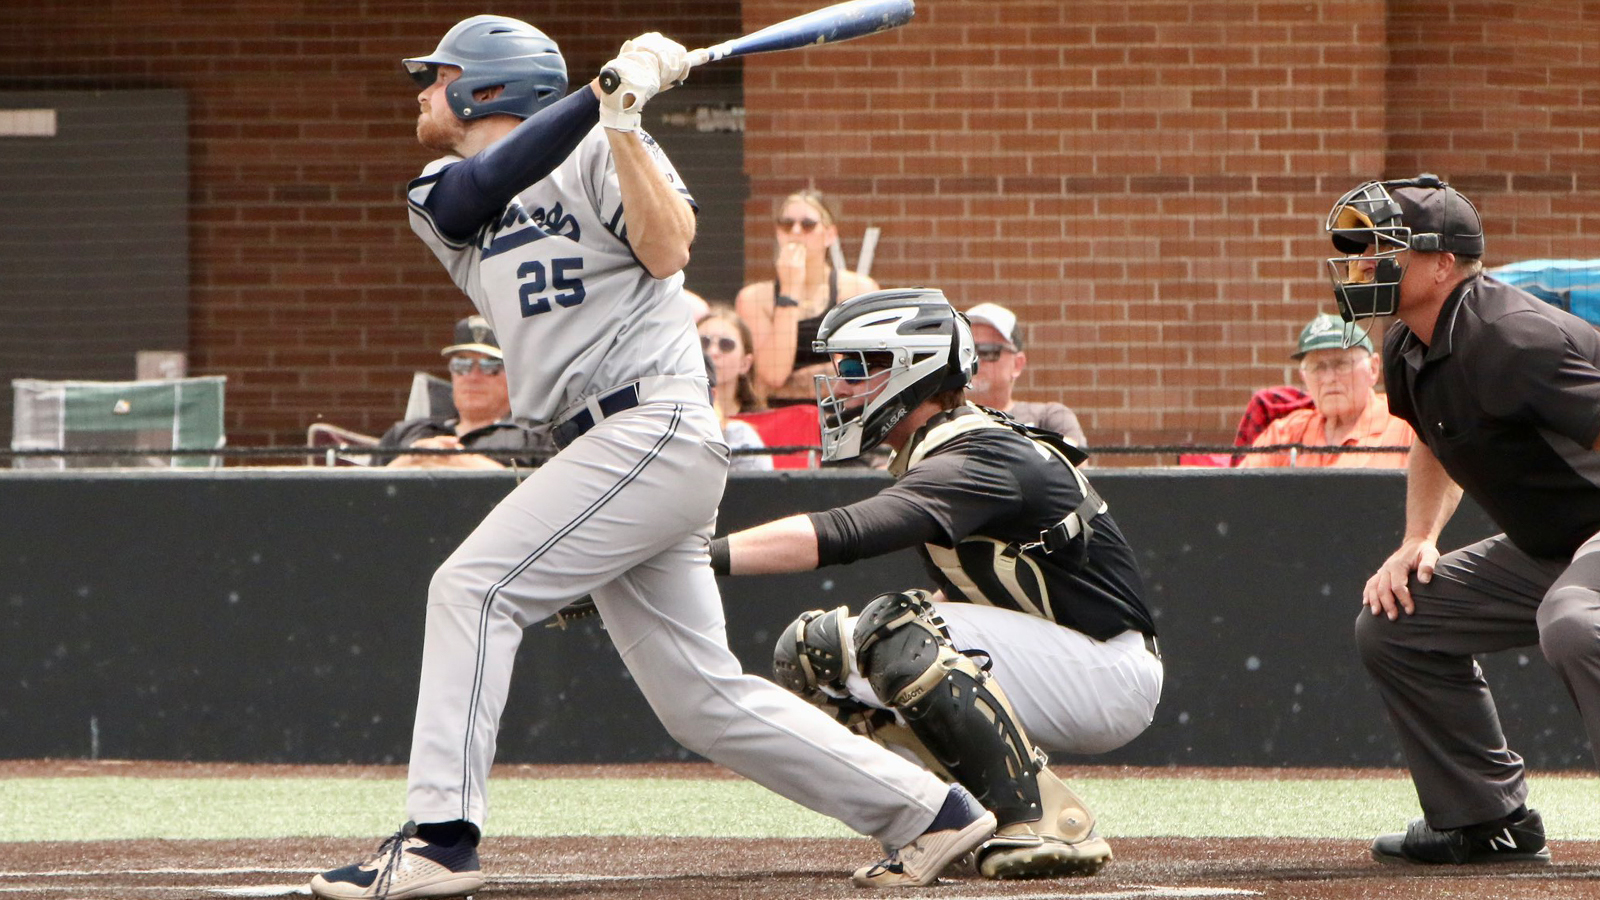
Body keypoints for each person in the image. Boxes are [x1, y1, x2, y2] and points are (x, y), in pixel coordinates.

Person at [309, 17, 995, 900]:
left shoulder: (607, 146)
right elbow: (474, 190)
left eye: (434, 76)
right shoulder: (440, 189)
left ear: (486, 85)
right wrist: (604, 94)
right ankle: (931, 813)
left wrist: (625, 121)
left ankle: (441, 839)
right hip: (601, 446)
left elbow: (669, 250)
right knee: (698, 699)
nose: (420, 91)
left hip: (651, 425)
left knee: (472, 589)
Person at [709, 288, 1162, 880]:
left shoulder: (980, 452)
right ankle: (951, 818)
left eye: (853, 366)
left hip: (1108, 670)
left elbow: (846, 532)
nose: (838, 386)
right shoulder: (947, 448)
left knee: (892, 631)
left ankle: (1046, 820)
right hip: (1067, 659)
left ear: (910, 371)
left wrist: (695, 558)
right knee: (815, 652)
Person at [1329, 174, 1600, 865]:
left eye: (1384, 248)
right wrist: (1419, 539)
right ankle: (1487, 821)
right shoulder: (1404, 344)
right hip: (1555, 548)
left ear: (1442, 263)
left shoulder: (1512, 337)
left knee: (1573, 620)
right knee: (1395, 622)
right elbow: (1431, 438)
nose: (1364, 265)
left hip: (1585, 548)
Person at [735, 189, 879, 406]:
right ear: (778, 233)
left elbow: (864, 368)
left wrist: (796, 382)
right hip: (781, 415)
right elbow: (773, 376)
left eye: (808, 225)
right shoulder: (754, 298)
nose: (796, 231)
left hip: (842, 412)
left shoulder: (858, 289)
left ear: (830, 234)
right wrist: (789, 292)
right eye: (786, 224)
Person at [1236, 312, 1414, 469]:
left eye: (1342, 364)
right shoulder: (1285, 435)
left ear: (1373, 368)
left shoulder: (1407, 427)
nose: (1329, 378)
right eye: (1318, 367)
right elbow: (1239, 494)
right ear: (1303, 377)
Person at [379, 315, 553, 469]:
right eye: (462, 365)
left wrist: (457, 461)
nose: (472, 377)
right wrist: (414, 458)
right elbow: (367, 493)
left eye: (489, 366)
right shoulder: (408, 432)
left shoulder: (536, 437)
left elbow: (545, 499)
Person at [962, 302, 1088, 448]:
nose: (976, 360)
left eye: (988, 351)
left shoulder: (1049, 417)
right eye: (968, 350)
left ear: (1017, 364)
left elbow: (1073, 462)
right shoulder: (942, 420)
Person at [698, 305, 771, 471]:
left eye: (726, 344)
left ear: (745, 364)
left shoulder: (767, 424)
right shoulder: (674, 415)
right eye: (703, 342)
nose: (712, 351)